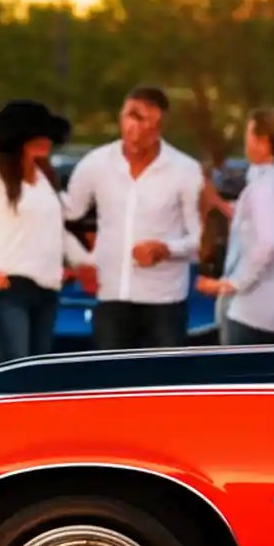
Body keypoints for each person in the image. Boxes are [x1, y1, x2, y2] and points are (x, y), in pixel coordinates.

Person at [64, 85, 205, 350]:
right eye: (130, 116)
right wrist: (82, 261)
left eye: (144, 122)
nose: (134, 129)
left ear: (159, 126)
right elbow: (65, 216)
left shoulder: (186, 170)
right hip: (111, 299)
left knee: (164, 385)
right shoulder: (96, 164)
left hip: (165, 303)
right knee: (112, 384)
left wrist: (166, 249)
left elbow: (201, 239)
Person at [0, 99, 88, 363]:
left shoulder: (45, 180)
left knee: (38, 376)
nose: (46, 141)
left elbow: (57, 232)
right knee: (17, 372)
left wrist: (85, 263)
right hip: (9, 290)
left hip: (46, 290)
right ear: (20, 140)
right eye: (39, 135)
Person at [197, 108, 274, 345]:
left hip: (253, 311)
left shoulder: (265, 187)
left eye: (248, 134)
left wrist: (232, 283)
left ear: (261, 142)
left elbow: (269, 242)